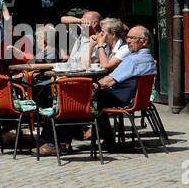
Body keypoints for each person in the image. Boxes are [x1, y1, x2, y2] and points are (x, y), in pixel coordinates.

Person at [41, 25, 156, 156]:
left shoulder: (134, 60)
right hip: (127, 98)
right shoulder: (148, 59)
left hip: (118, 97)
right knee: (78, 98)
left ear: (145, 41)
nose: (128, 40)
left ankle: (55, 143)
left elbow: (108, 82)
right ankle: (101, 140)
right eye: (128, 37)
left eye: (133, 38)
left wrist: (89, 86)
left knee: (70, 99)